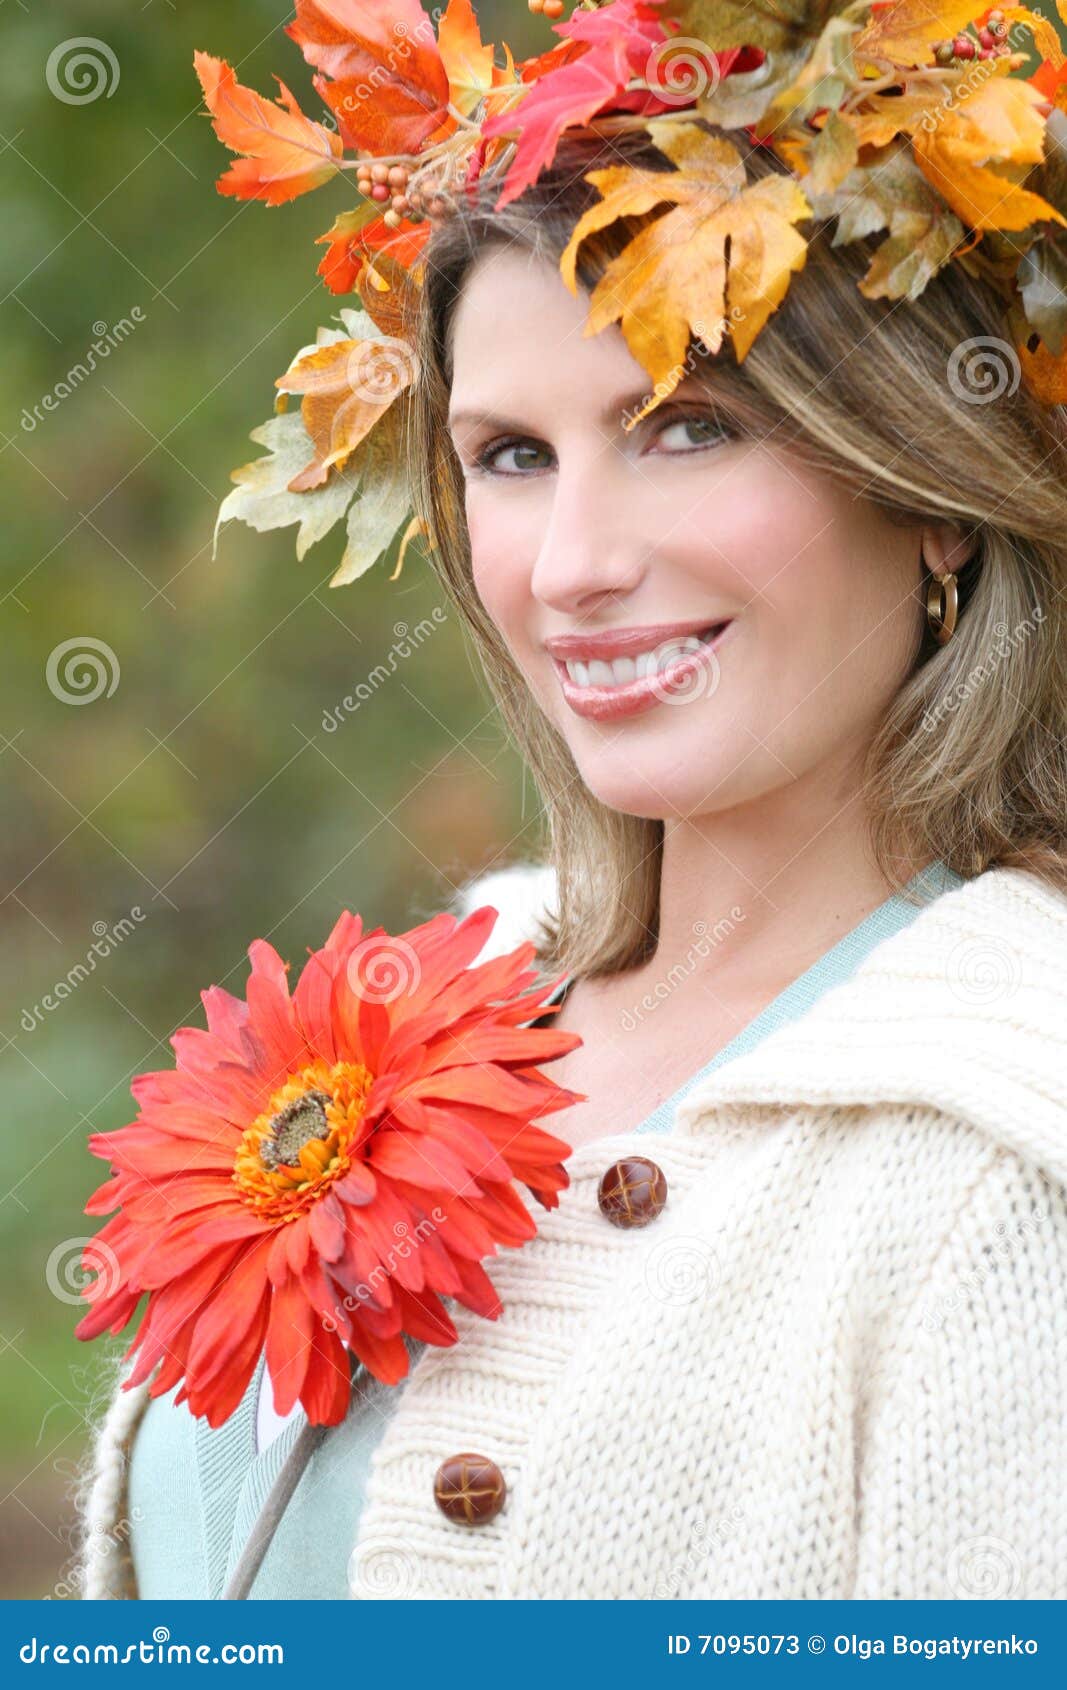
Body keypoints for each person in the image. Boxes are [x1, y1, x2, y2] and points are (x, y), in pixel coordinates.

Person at [73, 8, 1067, 1601]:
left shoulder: (1013, 1149)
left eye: (688, 428)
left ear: (932, 492)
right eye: (511, 455)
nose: (576, 563)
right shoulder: (433, 993)